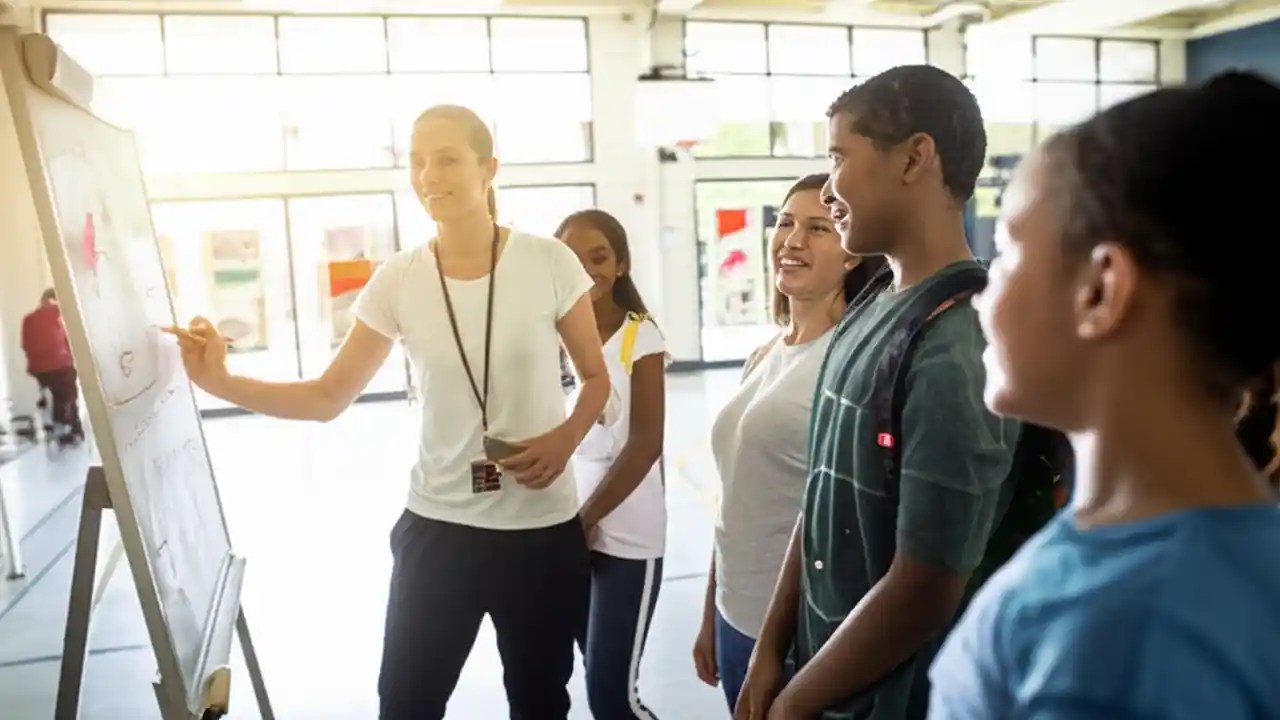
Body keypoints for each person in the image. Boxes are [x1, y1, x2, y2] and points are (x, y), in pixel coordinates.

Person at [168, 104, 610, 720]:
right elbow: (328, 397)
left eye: (448, 158)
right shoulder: (398, 279)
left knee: (539, 703)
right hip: (439, 529)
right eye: (417, 160)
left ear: (490, 168)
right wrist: (221, 381)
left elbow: (595, 378)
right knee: (405, 702)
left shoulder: (548, 262)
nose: (430, 174)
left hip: (539, 532)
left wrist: (565, 438)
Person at [929, 71, 1280, 720]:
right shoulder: (1226, 556)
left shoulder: (1118, 633)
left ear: (1101, 290)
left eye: (1007, 252)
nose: (986, 293)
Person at [736, 66, 1019, 720]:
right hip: (815, 678)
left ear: (915, 157)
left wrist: (791, 704)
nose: (830, 188)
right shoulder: (873, 309)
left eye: (839, 157)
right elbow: (822, 495)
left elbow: (925, 589)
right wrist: (771, 647)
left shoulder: (957, 347)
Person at [690, 174, 882, 712]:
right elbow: (736, 494)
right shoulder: (765, 354)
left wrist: (772, 649)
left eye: (818, 228)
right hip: (735, 615)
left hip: (798, 635)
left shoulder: (847, 363)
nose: (792, 239)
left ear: (851, 253)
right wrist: (711, 611)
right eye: (785, 222)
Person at [557, 208, 668, 720]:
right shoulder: (555, 343)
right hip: (574, 535)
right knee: (599, 677)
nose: (586, 270)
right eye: (572, 260)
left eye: (598, 257)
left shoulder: (638, 336)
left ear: (620, 264)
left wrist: (585, 520)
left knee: (612, 698)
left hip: (625, 539)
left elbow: (644, 444)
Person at [21, 288, 84, 446]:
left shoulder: (28, 319)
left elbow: (25, 344)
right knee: (68, 396)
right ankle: (70, 429)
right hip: (60, 365)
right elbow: (70, 341)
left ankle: (63, 425)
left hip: (39, 369)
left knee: (60, 396)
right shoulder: (60, 315)